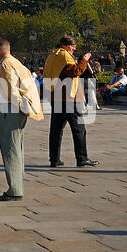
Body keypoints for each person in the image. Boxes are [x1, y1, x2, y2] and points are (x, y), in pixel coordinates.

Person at [0, 38, 44, 201]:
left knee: (10, 148)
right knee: (16, 147)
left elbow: (10, 90)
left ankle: (15, 189)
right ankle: (16, 184)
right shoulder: (16, 62)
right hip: (17, 109)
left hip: (10, 109)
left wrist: (17, 106)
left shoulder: (6, 64)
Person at [43, 35, 98, 168]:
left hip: (56, 96)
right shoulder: (65, 56)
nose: (73, 50)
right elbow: (75, 71)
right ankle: (82, 158)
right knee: (79, 129)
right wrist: (84, 60)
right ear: (66, 46)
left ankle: (54, 159)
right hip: (70, 98)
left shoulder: (52, 56)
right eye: (73, 47)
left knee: (56, 130)